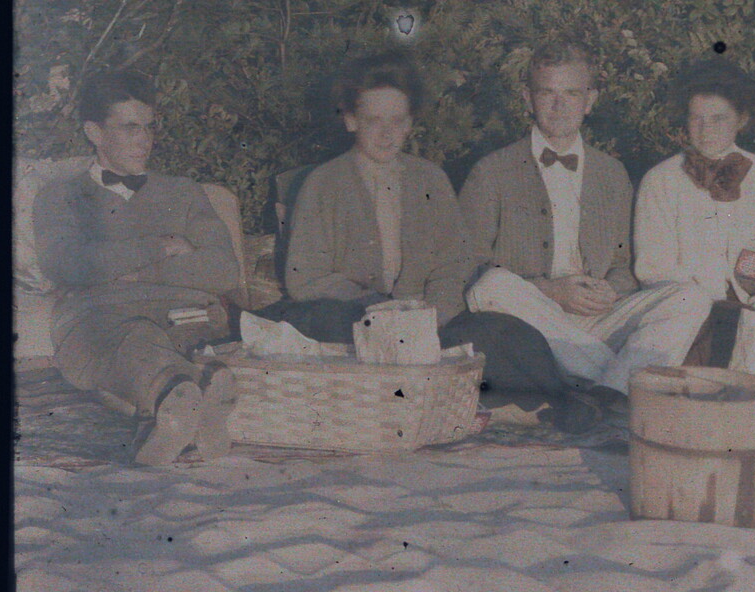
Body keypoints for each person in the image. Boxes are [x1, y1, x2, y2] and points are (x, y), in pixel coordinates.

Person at [277, 53, 588, 426]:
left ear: (410, 123)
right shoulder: (324, 184)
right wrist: (380, 311)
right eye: (373, 120)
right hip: (356, 322)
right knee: (310, 320)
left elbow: (453, 263)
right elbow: (304, 277)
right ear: (350, 119)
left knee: (506, 333)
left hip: (426, 326)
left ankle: (567, 401)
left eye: (397, 121)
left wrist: (431, 317)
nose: (386, 133)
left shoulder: (430, 180)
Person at [458, 42, 711, 401]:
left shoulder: (611, 173)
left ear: (590, 100)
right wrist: (550, 290)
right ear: (527, 98)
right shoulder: (492, 172)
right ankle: (621, 387)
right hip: (533, 314)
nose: (559, 106)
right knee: (493, 285)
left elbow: (625, 265)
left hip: (598, 316)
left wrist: (610, 291)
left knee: (691, 296)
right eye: (547, 93)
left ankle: (604, 387)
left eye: (571, 94)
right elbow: (470, 268)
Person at [34, 69, 241, 465]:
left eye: (148, 127)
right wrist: (161, 246)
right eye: (130, 128)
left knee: (156, 345)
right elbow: (68, 266)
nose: (145, 140)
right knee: (134, 343)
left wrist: (132, 270)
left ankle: (173, 406)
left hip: (187, 317)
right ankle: (193, 392)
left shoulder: (183, 191)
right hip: (104, 322)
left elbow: (224, 271)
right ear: (94, 132)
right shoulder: (60, 196)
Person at [633, 57, 755, 382]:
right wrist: (705, 297)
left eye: (718, 119)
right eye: (696, 119)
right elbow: (653, 267)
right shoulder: (661, 179)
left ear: (741, 119)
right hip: (693, 309)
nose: (706, 130)